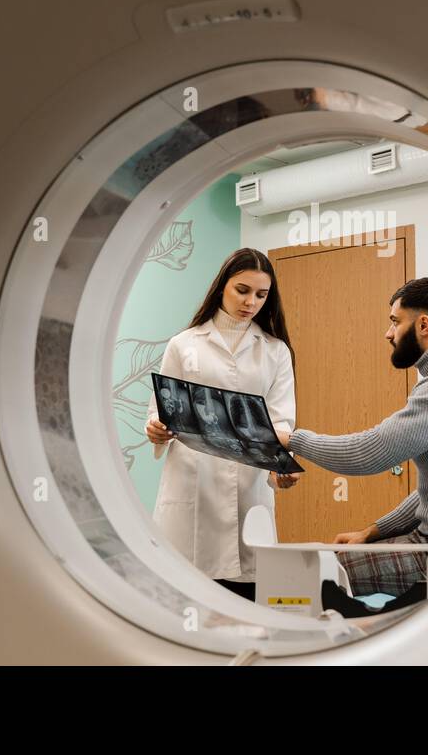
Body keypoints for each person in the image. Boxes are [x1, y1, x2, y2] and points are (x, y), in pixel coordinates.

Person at [276, 277, 428, 614]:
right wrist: (371, 532)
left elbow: (367, 454)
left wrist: (292, 438)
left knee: (313, 577)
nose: (389, 334)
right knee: (340, 562)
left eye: (395, 322)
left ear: (424, 325)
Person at [147, 248, 299, 600]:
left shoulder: (275, 351)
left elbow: (280, 422)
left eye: (261, 295)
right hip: (192, 488)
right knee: (186, 598)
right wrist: (156, 428)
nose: (251, 302)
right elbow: (159, 413)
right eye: (242, 290)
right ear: (222, 288)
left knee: (246, 599)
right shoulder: (183, 345)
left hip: (249, 491)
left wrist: (280, 468)